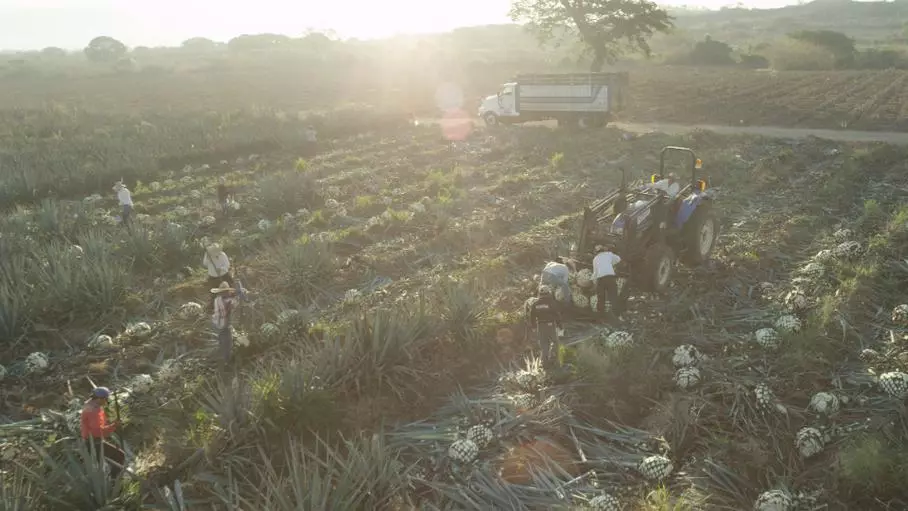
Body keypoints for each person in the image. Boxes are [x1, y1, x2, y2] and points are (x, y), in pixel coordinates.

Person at [80, 386, 125, 479]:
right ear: (100, 398)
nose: (106, 401)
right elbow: (97, 431)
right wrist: (114, 426)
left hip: (90, 441)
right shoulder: (94, 411)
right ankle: (114, 481)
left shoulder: (91, 405)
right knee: (119, 455)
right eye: (106, 398)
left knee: (101, 464)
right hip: (94, 443)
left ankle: (111, 479)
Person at [211, 281, 239, 365]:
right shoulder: (225, 301)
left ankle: (224, 358)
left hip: (217, 323)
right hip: (222, 324)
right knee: (227, 342)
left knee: (223, 341)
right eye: (225, 292)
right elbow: (233, 304)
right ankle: (227, 361)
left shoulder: (217, 299)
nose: (226, 293)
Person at [592, 245, 622, 320]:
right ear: (603, 250)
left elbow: (595, 272)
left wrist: (593, 282)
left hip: (601, 279)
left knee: (601, 298)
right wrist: (610, 263)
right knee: (613, 297)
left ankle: (600, 317)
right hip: (610, 278)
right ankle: (617, 315)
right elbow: (618, 259)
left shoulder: (595, 259)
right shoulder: (609, 254)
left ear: (596, 252)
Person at [203, 244, 232, 309]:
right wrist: (208, 257)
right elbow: (205, 264)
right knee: (214, 293)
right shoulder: (208, 256)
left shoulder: (223, 255)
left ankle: (231, 304)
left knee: (230, 289)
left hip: (225, 276)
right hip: (213, 277)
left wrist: (221, 269)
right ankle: (213, 308)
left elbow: (227, 265)